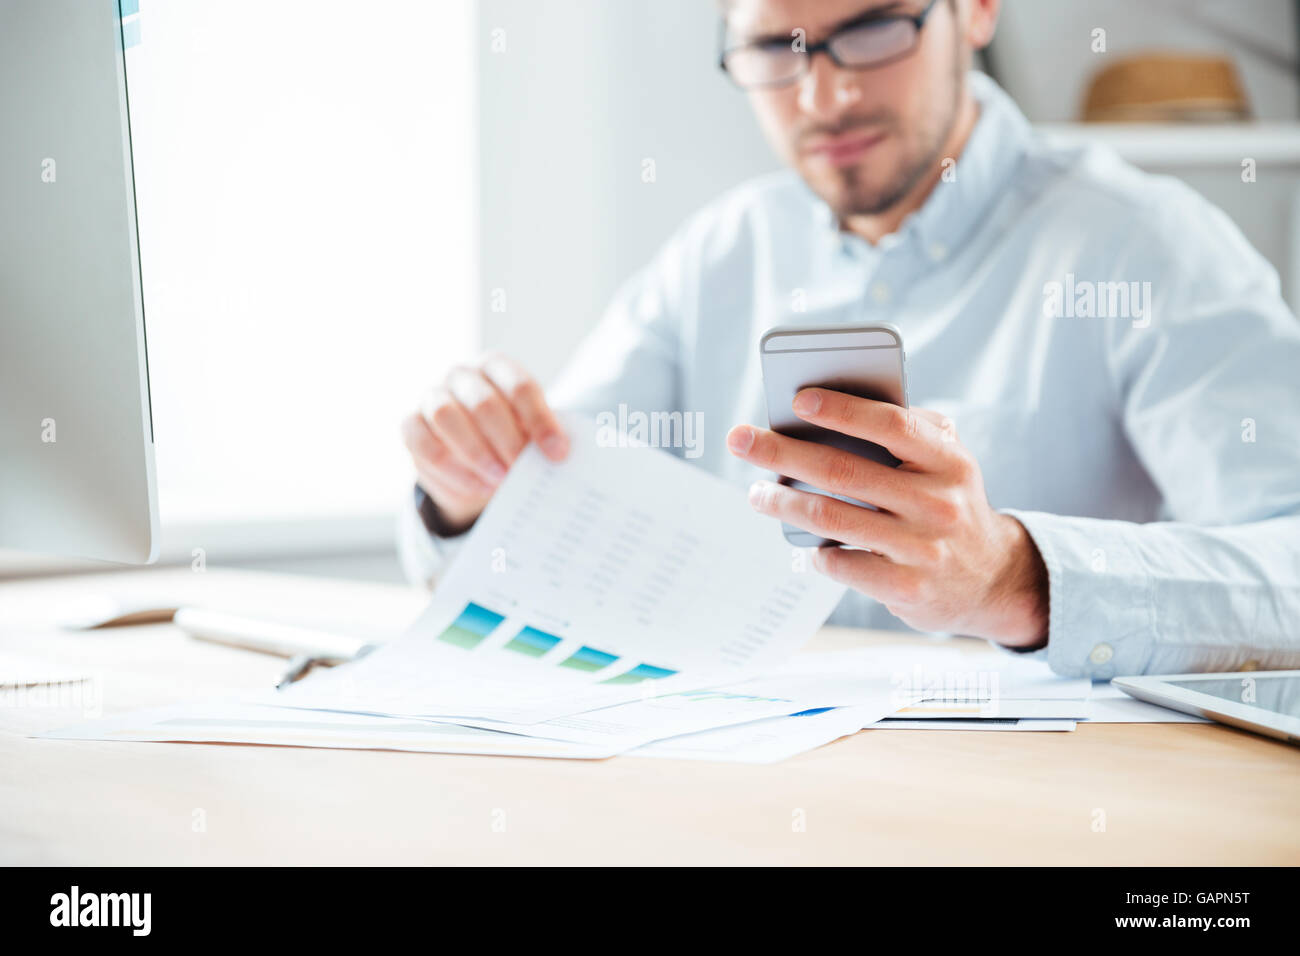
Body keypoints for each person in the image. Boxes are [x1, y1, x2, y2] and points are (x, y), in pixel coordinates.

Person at [398, 0, 1300, 679]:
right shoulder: (719, 253)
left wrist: (1016, 577)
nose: (825, 96)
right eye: (772, 51)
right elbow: (546, 511)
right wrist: (467, 493)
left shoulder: (1148, 244)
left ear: (976, 10)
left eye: (871, 29)